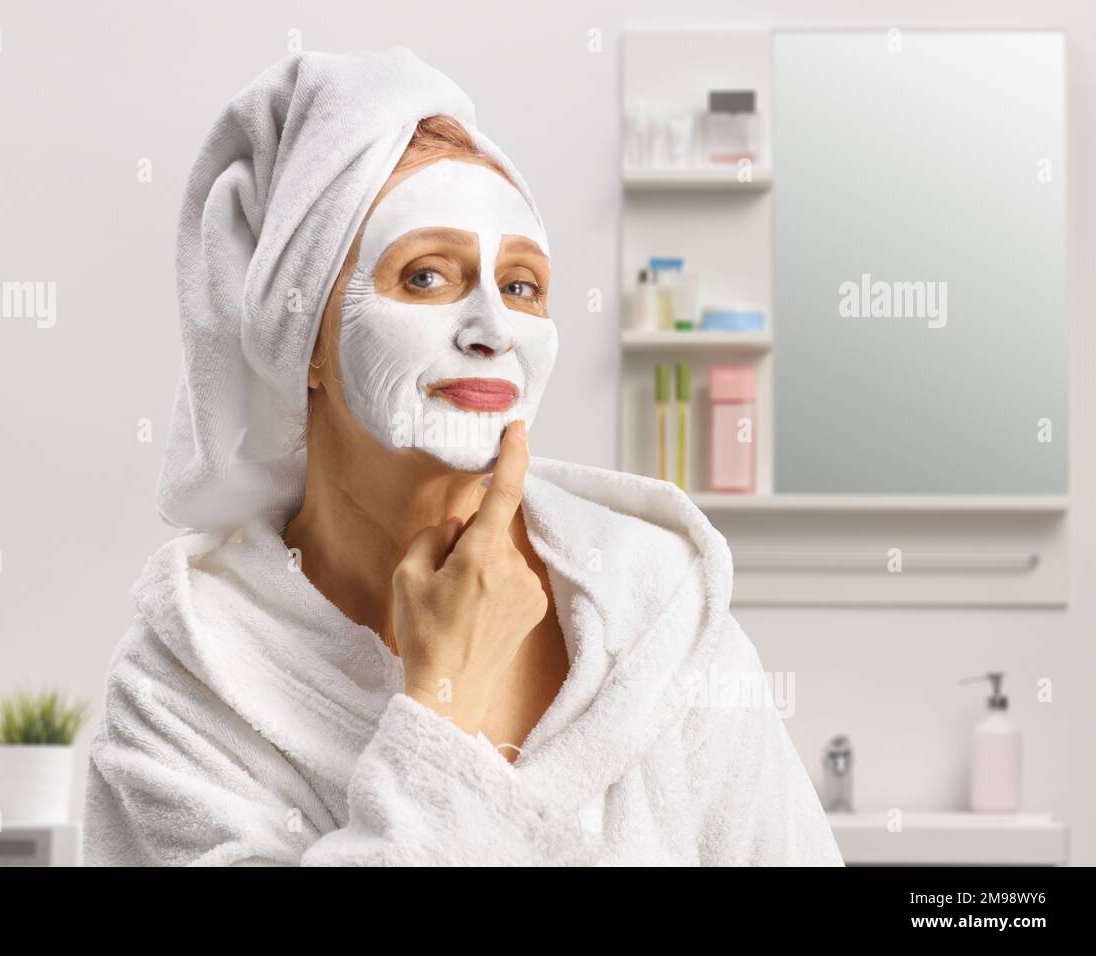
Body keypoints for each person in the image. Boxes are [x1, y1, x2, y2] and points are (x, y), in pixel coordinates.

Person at [83, 47, 843, 866]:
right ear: (299, 338)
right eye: (427, 276)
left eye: (521, 286)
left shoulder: (660, 614)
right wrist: (442, 702)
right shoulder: (187, 685)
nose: (492, 329)